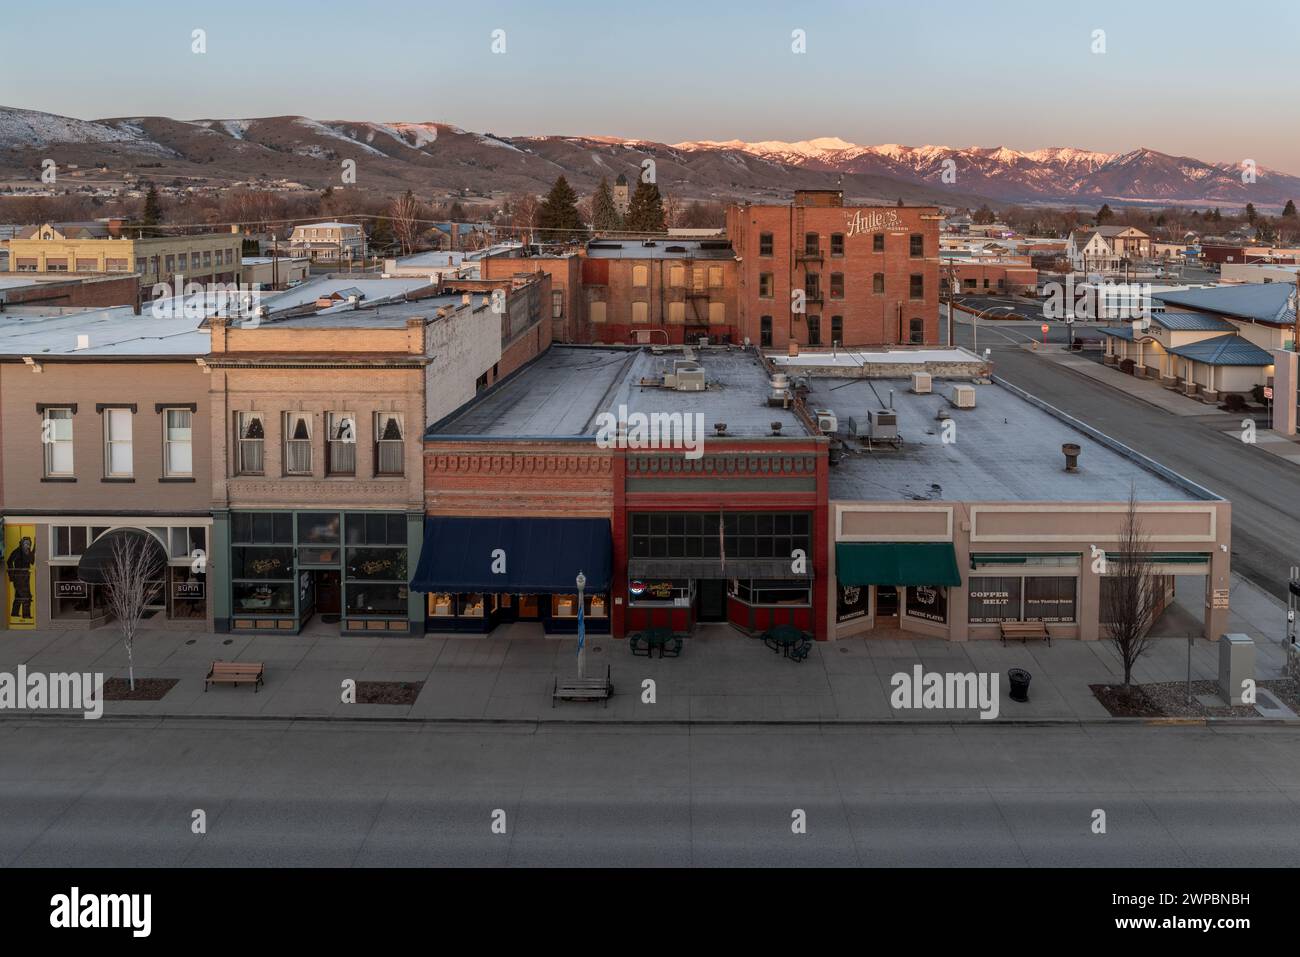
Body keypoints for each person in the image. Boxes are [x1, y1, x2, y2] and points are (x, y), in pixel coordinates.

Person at [7, 536, 34, 621]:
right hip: (19, 576)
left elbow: (32, 562)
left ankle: (14, 613)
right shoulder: (18, 551)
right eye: (26, 543)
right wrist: (12, 575)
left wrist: (33, 550)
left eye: (29, 544)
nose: (27, 545)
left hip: (25, 576)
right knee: (26, 596)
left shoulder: (27, 552)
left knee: (18, 596)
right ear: (22, 543)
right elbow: (9, 561)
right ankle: (26, 615)